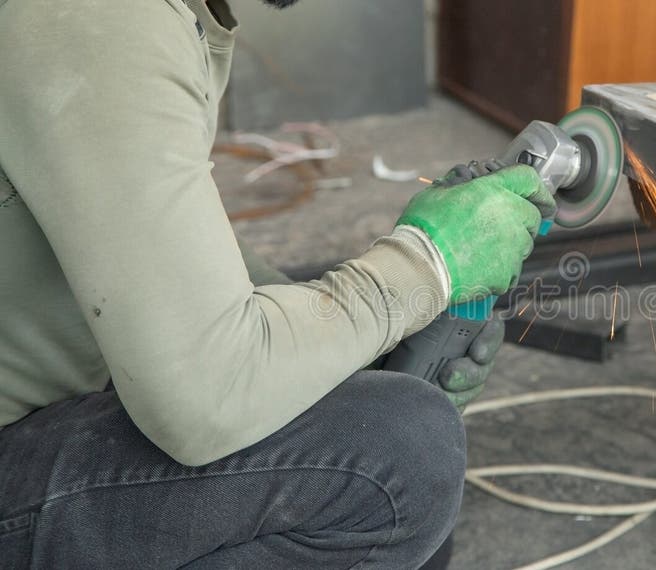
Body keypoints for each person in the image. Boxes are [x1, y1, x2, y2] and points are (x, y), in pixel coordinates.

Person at [0, 0, 554, 567]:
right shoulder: (99, 20)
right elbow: (205, 397)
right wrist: (426, 263)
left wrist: (357, 347)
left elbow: (148, 234)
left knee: (404, 489)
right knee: (396, 459)